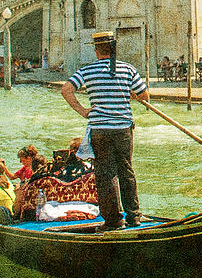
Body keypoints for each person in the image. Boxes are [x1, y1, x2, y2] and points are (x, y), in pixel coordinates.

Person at [60, 30, 149, 232]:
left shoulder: (87, 70)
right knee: (126, 170)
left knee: (105, 174)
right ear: (113, 48)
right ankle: (134, 217)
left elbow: (66, 89)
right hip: (123, 128)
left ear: (96, 50)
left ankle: (113, 221)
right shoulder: (127, 69)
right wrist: (129, 94)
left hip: (99, 128)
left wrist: (83, 111)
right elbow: (144, 96)